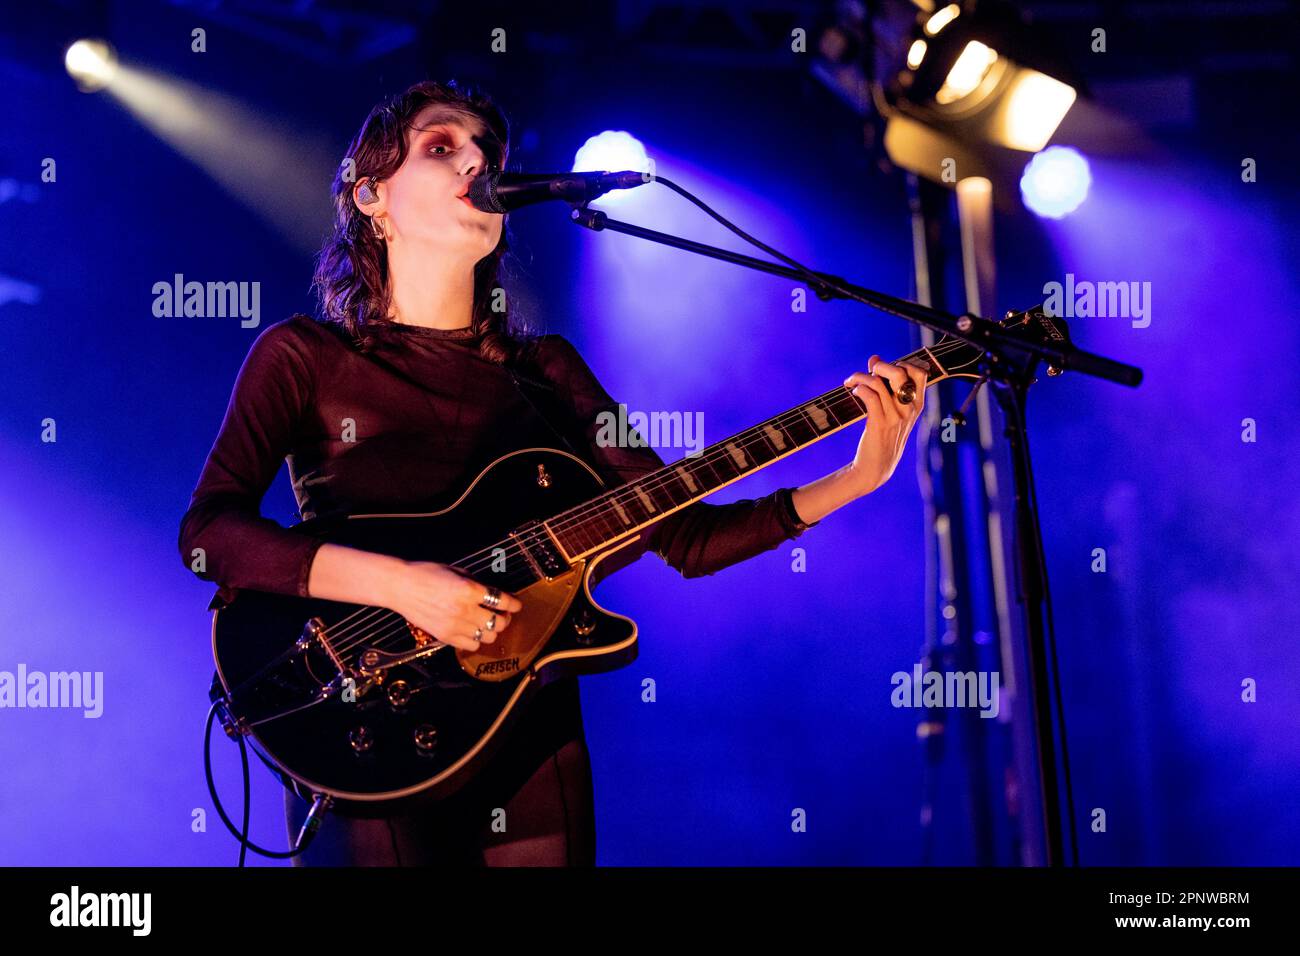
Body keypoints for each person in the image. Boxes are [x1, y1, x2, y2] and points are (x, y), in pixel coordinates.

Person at [177, 79, 927, 866]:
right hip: (363, 712)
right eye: (441, 146)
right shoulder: (304, 356)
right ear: (372, 197)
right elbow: (209, 536)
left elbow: (686, 536)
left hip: (527, 726)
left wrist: (859, 475)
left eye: (487, 152)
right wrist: (403, 587)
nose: (477, 161)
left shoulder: (547, 372)